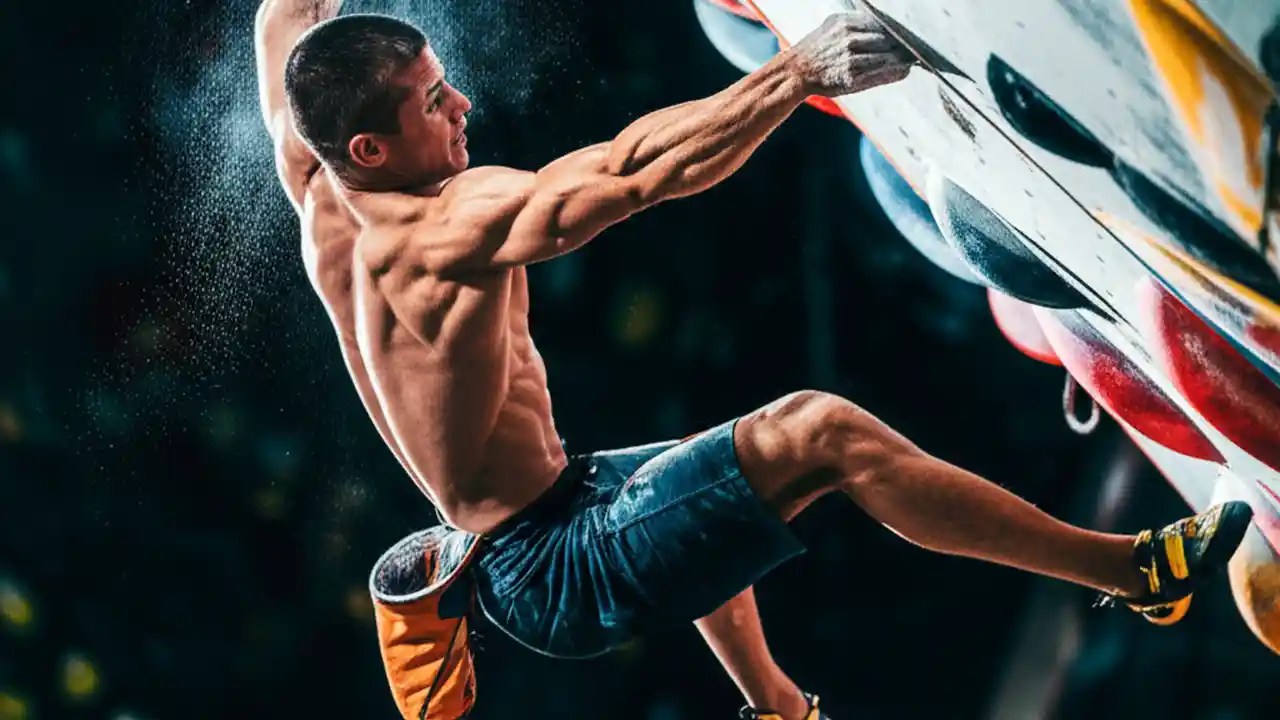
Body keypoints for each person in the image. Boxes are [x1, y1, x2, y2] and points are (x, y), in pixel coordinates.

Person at [253, 2, 1254, 718]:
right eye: (433, 101)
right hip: (553, 570)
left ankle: (777, 709)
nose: (462, 103)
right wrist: (795, 73)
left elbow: (281, 21)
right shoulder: (441, 232)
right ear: (371, 149)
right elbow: (631, 172)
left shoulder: (318, 188)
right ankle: (1134, 571)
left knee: (708, 493)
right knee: (818, 435)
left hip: (546, 510)